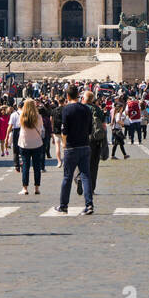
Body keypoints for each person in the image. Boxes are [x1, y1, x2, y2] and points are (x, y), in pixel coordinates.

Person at [55, 83, 94, 215]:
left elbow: (64, 130)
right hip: (84, 145)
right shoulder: (87, 109)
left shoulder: (66, 110)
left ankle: (63, 205)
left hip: (71, 147)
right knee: (86, 176)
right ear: (78, 95)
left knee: (67, 177)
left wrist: (65, 144)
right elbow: (90, 129)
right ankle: (89, 205)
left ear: (67, 95)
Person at [18, 97, 45, 195]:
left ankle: (25, 188)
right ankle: (37, 188)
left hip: (24, 144)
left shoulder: (21, 116)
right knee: (37, 166)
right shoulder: (38, 116)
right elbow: (41, 129)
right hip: (37, 143)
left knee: (25, 166)